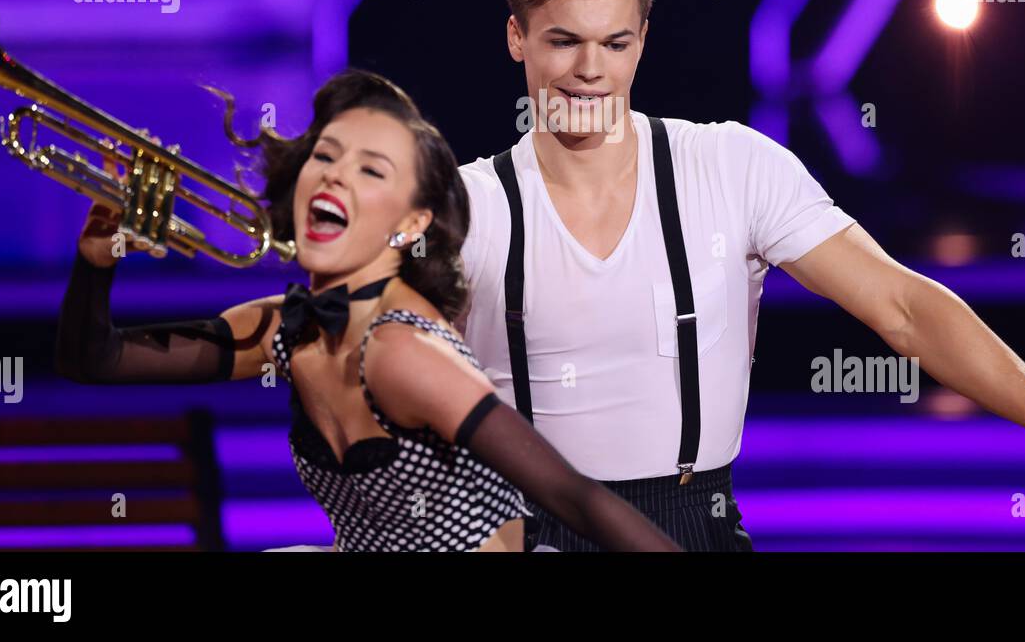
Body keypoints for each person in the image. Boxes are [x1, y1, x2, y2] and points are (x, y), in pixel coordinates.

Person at [454, 0, 1025, 552]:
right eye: (564, 41)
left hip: (694, 523)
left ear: (643, 40)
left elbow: (903, 305)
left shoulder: (731, 164)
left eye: (614, 42)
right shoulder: (463, 204)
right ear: (516, 37)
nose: (590, 70)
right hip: (522, 529)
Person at [55, 68, 680, 552]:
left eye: (370, 171)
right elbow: (95, 361)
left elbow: (571, 496)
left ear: (411, 224)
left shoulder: (401, 350)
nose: (334, 179)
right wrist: (96, 261)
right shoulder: (284, 327)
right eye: (324, 157)